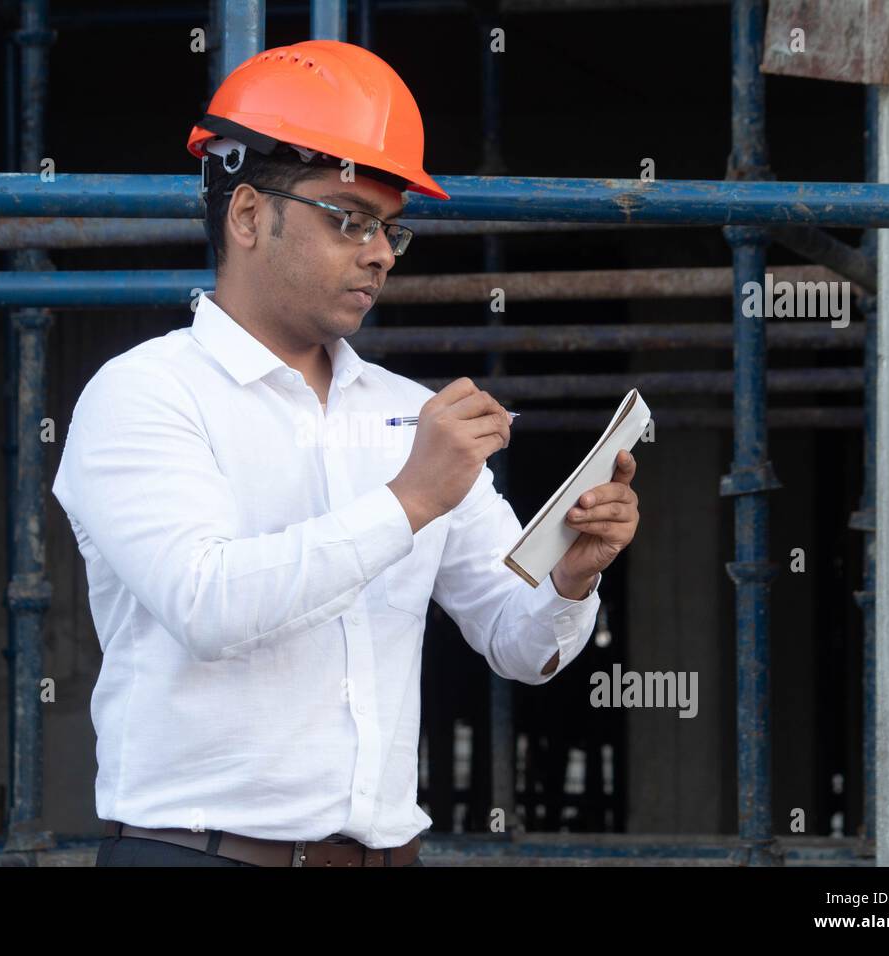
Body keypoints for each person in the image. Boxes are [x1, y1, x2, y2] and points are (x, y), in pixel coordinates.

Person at [53, 39, 640, 868]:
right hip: (201, 855)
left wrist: (573, 575)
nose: (380, 253)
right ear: (250, 215)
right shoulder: (145, 394)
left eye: (392, 230)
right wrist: (409, 502)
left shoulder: (412, 417)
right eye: (349, 219)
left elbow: (516, 641)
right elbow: (207, 605)